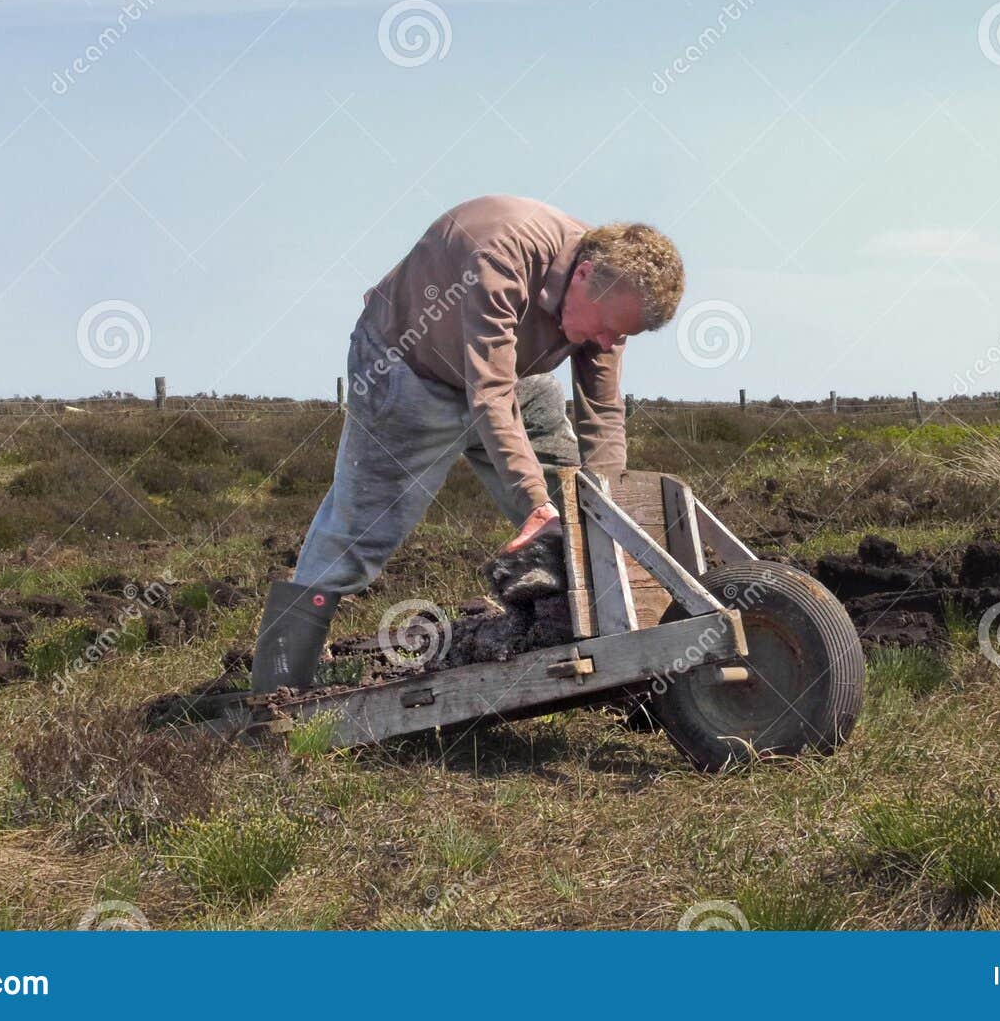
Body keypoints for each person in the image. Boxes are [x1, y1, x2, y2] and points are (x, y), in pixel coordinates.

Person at [252, 194, 685, 692]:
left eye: (621, 336)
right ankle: (277, 686)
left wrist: (607, 505)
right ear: (583, 275)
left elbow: (603, 414)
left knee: (575, 504)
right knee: (358, 531)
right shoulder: (503, 256)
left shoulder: (614, 298)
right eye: (608, 328)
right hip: (409, 369)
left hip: (506, 375)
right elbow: (490, 393)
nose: (608, 344)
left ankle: (601, 652)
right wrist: (532, 503)